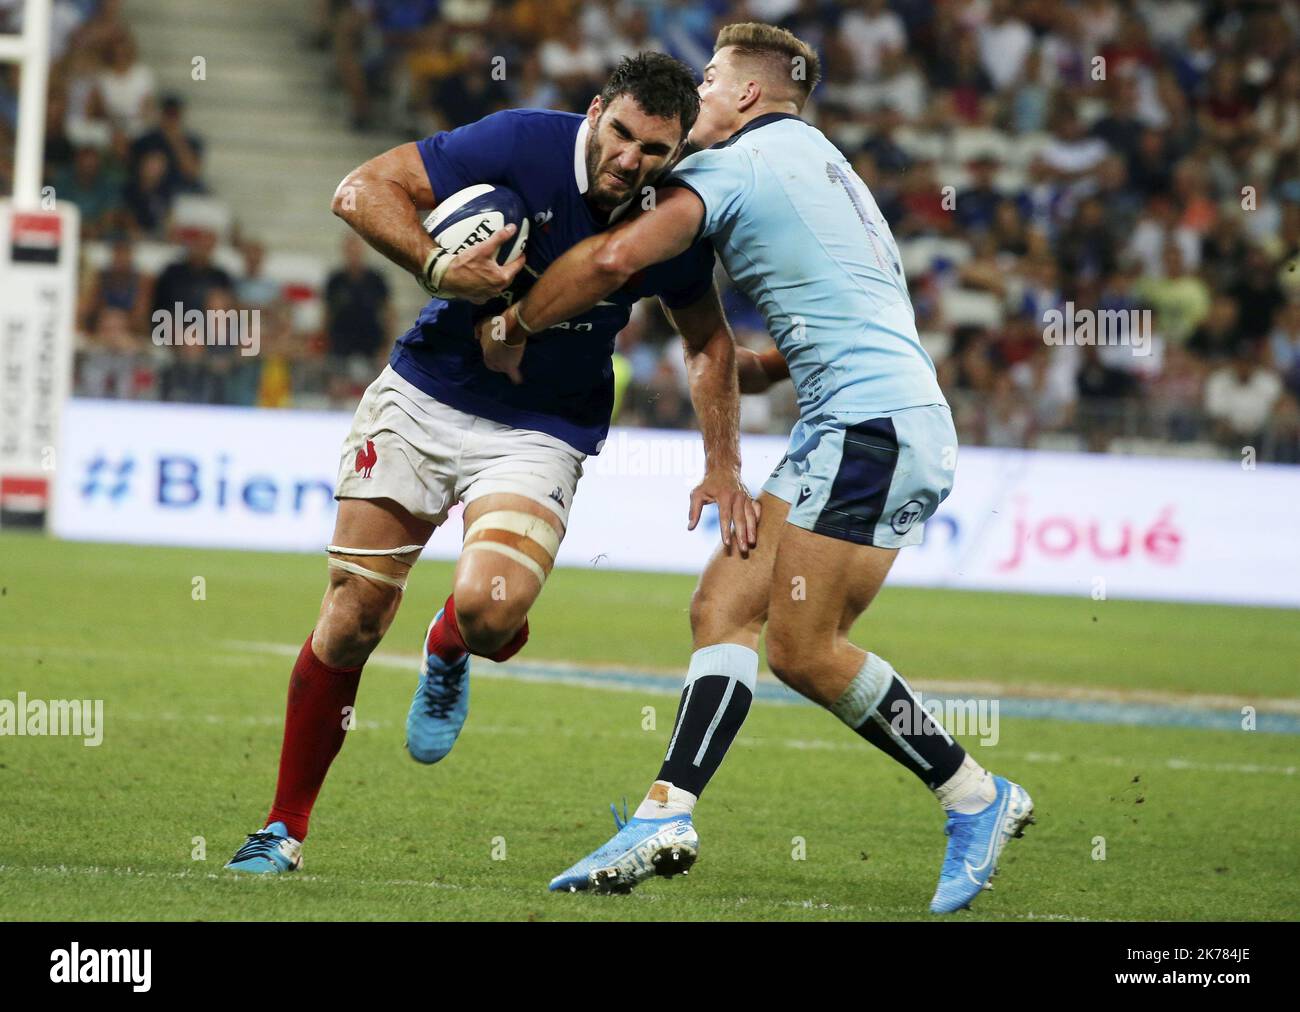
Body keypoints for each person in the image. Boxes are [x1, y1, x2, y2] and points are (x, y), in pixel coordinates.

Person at [484, 22, 1034, 915]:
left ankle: (975, 794)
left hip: (872, 428)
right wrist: (742, 376)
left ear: (743, 94)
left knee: (803, 648)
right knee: (723, 607)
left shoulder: (732, 165)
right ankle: (666, 813)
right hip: (860, 418)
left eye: (705, 80)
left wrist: (513, 324)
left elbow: (621, 256)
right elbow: (824, 319)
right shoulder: (826, 166)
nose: (694, 95)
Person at [223, 53, 767, 875]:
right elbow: (361, 189)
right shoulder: (518, 142)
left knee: (489, 611)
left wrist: (722, 463)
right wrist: (439, 267)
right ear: (595, 112)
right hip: (424, 394)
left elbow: (707, 341)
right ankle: (282, 830)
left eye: (656, 151)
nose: (631, 162)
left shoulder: (673, 217)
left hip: (541, 427)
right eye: (621, 135)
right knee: (353, 618)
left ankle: (450, 643)